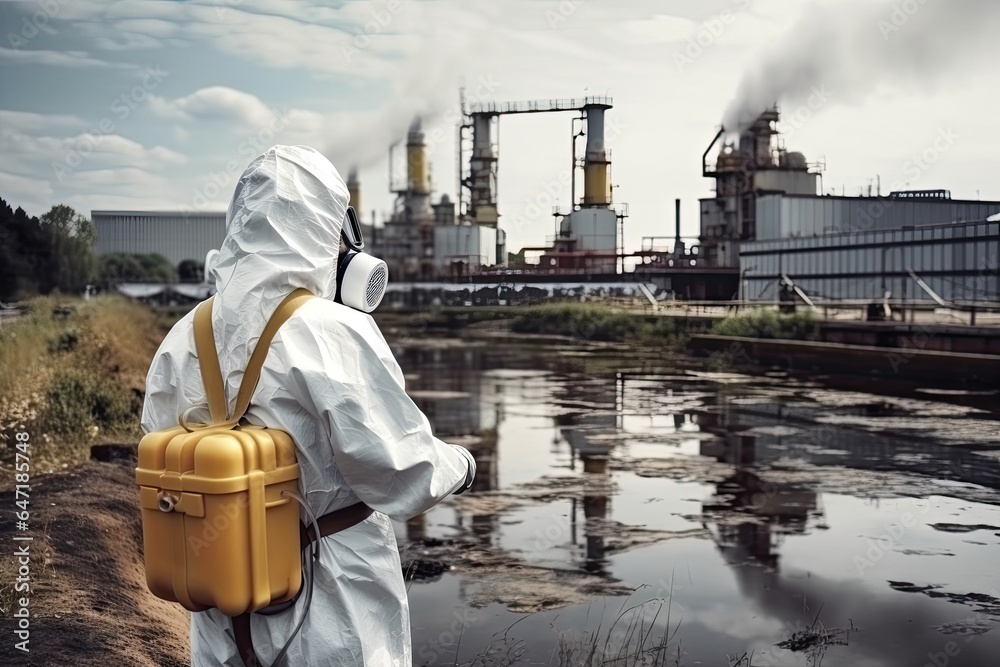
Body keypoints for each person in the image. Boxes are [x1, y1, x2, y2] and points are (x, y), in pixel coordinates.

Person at [141, 145, 475, 666]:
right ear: (326, 231)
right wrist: (461, 464)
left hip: (219, 602)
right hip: (331, 604)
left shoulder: (182, 336)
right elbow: (400, 470)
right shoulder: (332, 329)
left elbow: (158, 452)